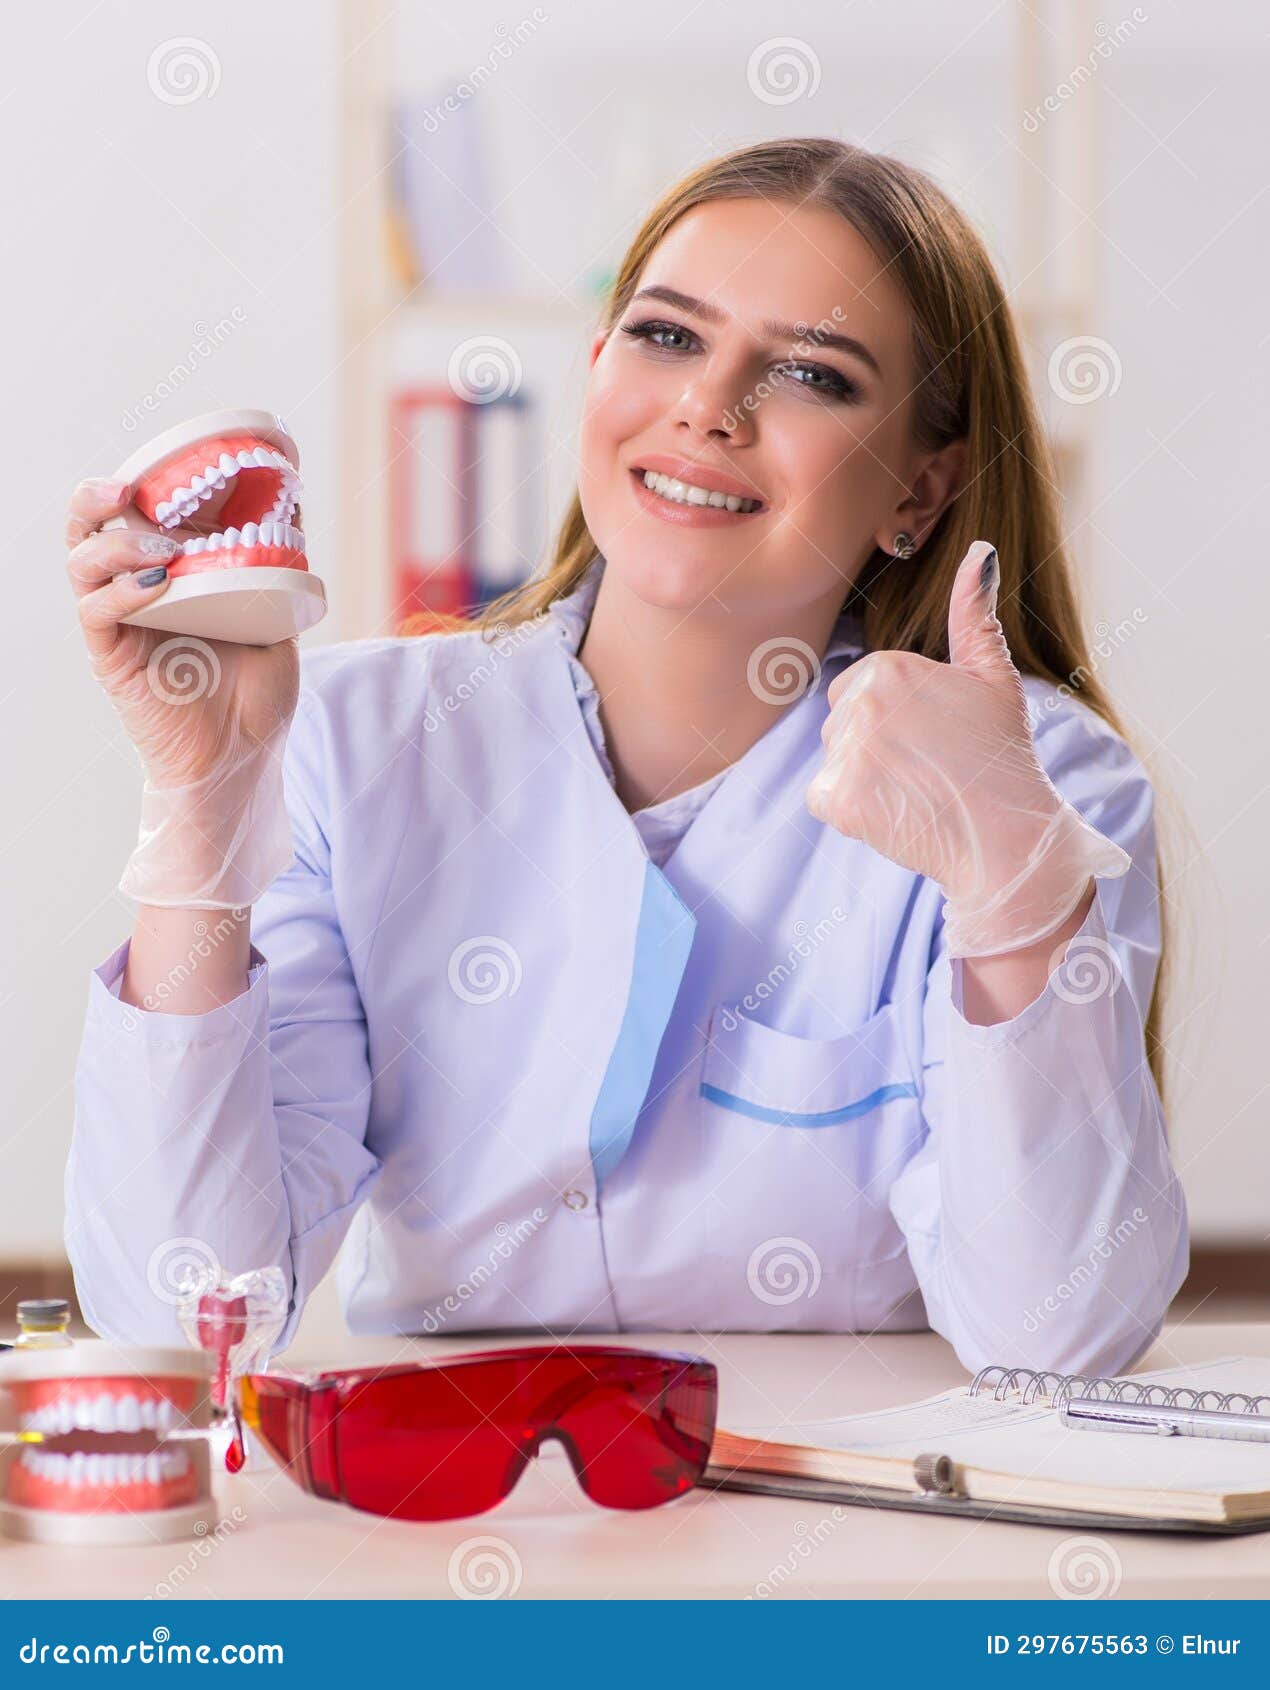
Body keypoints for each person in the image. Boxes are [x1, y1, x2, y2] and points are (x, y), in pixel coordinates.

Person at [63, 138, 1187, 1374]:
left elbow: (1059, 1337)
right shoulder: (351, 740)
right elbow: (181, 1316)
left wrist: (1011, 892)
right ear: (595, 372)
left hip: (850, 1537)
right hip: (455, 1516)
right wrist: (203, 816)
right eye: (667, 336)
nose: (711, 404)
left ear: (918, 490)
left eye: (811, 372)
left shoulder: (1033, 785)